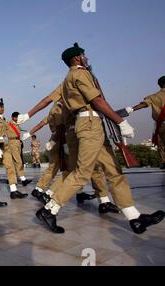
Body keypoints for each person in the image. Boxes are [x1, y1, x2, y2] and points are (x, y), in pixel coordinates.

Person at [35, 43, 164, 234]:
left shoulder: (74, 75)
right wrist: (120, 121)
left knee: (114, 170)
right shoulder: (79, 74)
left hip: (94, 125)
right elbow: (97, 100)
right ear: (77, 58)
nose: (87, 57)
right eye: (84, 54)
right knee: (83, 172)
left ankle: (134, 217)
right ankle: (49, 210)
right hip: (89, 125)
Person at [124, 76, 165, 169]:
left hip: (162, 124)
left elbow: (143, 105)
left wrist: (130, 110)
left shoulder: (154, 97)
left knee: (162, 144)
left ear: (160, 85)